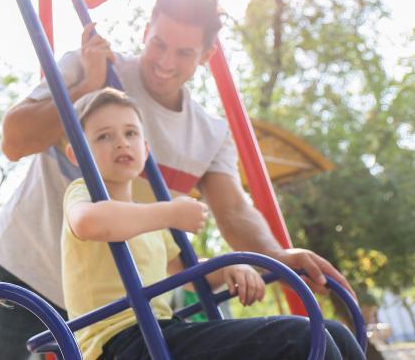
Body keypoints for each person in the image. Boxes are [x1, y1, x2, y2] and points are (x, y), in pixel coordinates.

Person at [0, 0, 353, 359]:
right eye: (159, 44)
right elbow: (14, 142)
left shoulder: (208, 134)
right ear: (145, 31)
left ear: (206, 54)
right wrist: (87, 85)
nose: (166, 62)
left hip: (132, 304)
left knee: (326, 334)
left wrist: (272, 256)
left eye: (184, 52)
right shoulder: (95, 69)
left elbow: (233, 211)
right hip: (26, 273)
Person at [61, 87, 363, 360]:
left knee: (335, 333)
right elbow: (89, 223)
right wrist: (169, 213)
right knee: (299, 337)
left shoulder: (145, 215)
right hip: (117, 345)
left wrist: (227, 267)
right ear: (76, 153)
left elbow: (188, 274)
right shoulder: (83, 192)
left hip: (161, 332)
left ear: (145, 148)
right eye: (104, 136)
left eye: (130, 133)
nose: (120, 144)